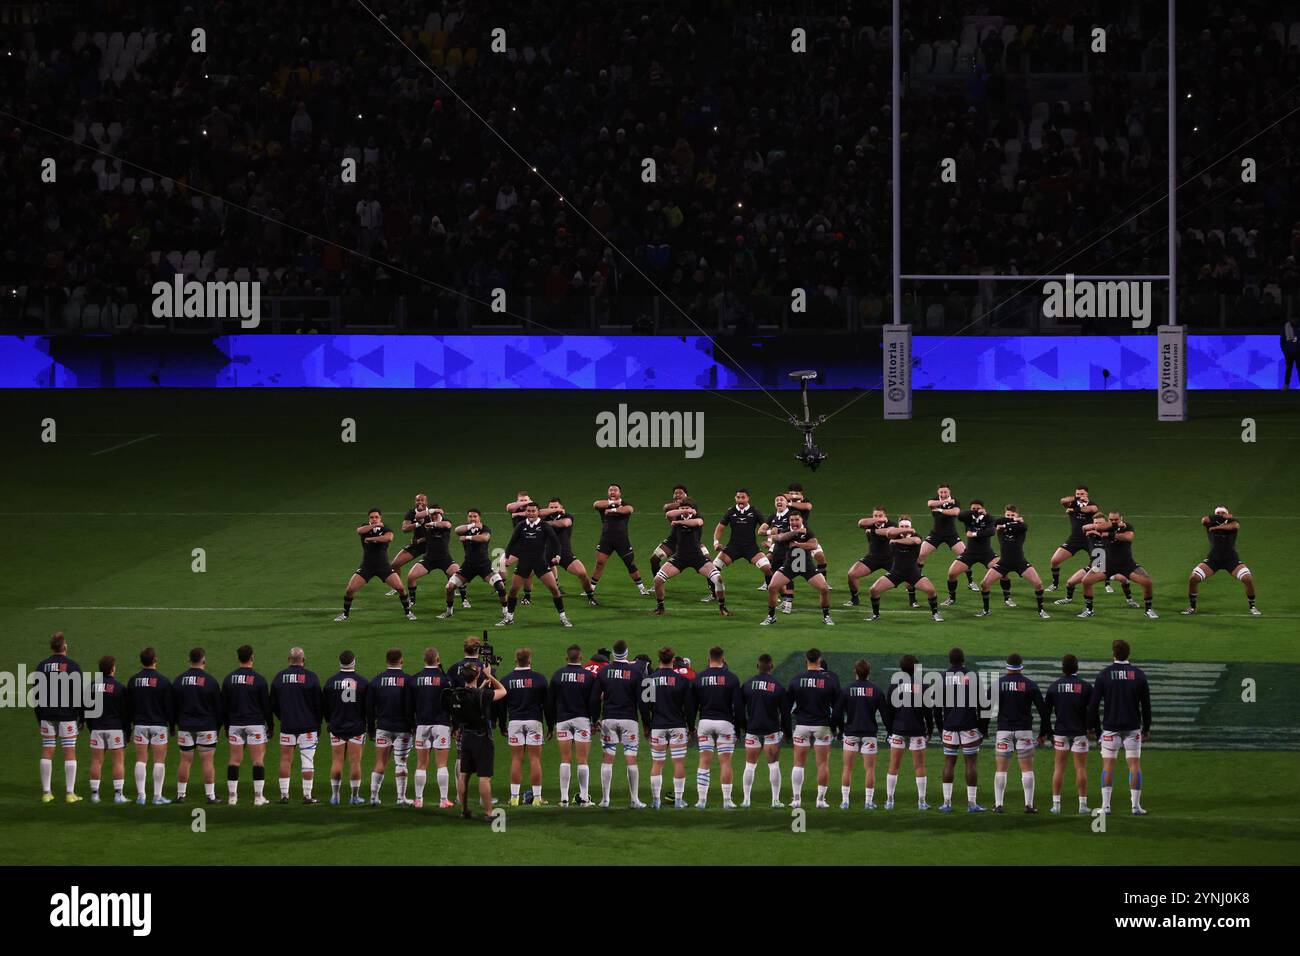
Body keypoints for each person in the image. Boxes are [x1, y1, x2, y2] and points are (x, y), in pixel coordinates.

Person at [1088, 639, 1152, 816]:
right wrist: (1146, 728)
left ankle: (1106, 806)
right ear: (1128, 654)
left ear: (1113, 654)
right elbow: (1146, 706)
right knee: (1134, 766)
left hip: (1110, 727)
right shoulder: (1139, 675)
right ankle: (1135, 806)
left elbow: (1093, 706)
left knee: (1108, 766)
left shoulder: (1104, 675)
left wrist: (1094, 729)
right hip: (1132, 727)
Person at [449, 662, 508, 821]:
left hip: (466, 736)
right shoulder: (483, 695)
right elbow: (503, 691)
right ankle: (489, 813)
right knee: (484, 776)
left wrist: (481, 686)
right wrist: (490, 676)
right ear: (477, 675)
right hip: (482, 738)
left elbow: (471, 697)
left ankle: (464, 810)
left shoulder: (457, 694)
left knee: (464, 775)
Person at [499, 501, 572, 627]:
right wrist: (506, 557)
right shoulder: (521, 526)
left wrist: (558, 555)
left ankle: (563, 617)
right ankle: (509, 618)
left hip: (540, 562)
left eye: (533, 511)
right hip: (524, 562)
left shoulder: (544, 526)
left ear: (538, 512)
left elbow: (556, 543)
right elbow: (512, 543)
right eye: (529, 511)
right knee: (513, 590)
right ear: (526, 512)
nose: (531, 513)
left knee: (554, 589)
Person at [336, 508, 416, 621]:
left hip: (383, 566)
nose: (374, 519)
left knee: (401, 588)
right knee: (350, 590)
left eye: (376, 517)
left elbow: (389, 537)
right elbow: (359, 530)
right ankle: (345, 615)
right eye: (372, 517)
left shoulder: (385, 529)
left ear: (380, 517)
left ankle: (408, 613)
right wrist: (374, 526)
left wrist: (372, 538)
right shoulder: (365, 527)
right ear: (369, 519)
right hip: (367, 566)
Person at [653, 498, 730, 616]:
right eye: (682, 508)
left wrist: (679, 522)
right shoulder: (676, 516)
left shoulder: (697, 517)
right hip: (680, 557)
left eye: (687, 508)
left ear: (693, 509)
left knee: (718, 579)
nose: (684, 510)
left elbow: (697, 523)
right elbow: (668, 514)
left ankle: (722, 607)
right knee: (658, 580)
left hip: (697, 557)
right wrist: (682, 511)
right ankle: (660, 607)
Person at [595, 640, 649, 808]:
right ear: (627, 653)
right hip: (629, 719)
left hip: (609, 718)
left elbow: (594, 697)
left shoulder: (603, 672)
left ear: (613, 652)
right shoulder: (635, 672)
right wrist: (648, 723)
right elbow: (644, 701)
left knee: (607, 757)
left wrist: (594, 717)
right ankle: (634, 800)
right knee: (631, 758)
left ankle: (605, 800)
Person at [992, 653, 1048, 813]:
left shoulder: (998, 684)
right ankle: (1029, 805)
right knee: (1027, 769)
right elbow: (1043, 711)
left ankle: (998, 804)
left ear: (1007, 666)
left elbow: (985, 708)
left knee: (1001, 769)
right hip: (1024, 730)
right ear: (1021, 666)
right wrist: (1044, 732)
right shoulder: (1029, 684)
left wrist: (982, 729)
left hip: (1003, 730)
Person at [1182, 507, 1261, 616]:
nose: (1220, 514)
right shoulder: (1210, 522)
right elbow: (1204, 520)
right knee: (1193, 578)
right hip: (1214, 559)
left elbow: (1234, 526)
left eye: (1223, 512)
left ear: (1227, 514)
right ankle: (1192, 607)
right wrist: (1221, 517)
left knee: (1248, 578)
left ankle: (1252, 607)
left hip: (1231, 559)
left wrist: (1216, 528)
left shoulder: (1232, 522)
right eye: (1218, 513)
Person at [786, 648, 840, 808]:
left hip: (801, 724)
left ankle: (796, 799)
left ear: (806, 660)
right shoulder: (830, 680)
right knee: (822, 764)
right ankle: (820, 800)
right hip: (822, 725)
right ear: (820, 660)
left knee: (798, 763)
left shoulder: (796, 680)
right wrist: (835, 727)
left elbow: (787, 707)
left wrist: (787, 729)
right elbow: (837, 707)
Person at [938, 648, 989, 813]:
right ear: (963, 660)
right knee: (971, 763)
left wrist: (941, 729)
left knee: (949, 763)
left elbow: (937, 708)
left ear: (949, 661)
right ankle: (972, 804)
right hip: (969, 726)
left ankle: (947, 803)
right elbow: (983, 705)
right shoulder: (972, 677)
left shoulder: (942, 678)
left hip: (949, 726)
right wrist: (983, 729)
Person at [976, 505, 1050, 618]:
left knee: (1038, 584)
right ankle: (986, 610)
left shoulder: (1021, 526)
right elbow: (996, 521)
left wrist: (1006, 525)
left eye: (1013, 515)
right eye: (1008, 515)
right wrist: (1011, 521)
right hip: (1003, 563)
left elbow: (1023, 527)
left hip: (1020, 562)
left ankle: (1041, 611)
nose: (1010, 517)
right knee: (984, 584)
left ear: (1018, 516)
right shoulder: (1000, 524)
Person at [35, 631, 83, 803]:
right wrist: (81, 718)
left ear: (51, 647)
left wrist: (39, 717)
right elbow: (79, 695)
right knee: (69, 751)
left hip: (47, 715)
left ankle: (46, 793)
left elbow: (36, 695)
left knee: (47, 749)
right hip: (67, 715)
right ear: (64, 646)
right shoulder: (72, 666)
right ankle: (70, 793)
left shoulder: (42, 666)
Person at [270, 647, 323, 805]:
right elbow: (318, 705)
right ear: (303, 660)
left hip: (287, 725)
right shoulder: (311, 677)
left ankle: (284, 795)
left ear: (289, 660)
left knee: (285, 760)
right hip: (308, 727)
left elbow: (273, 704)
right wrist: (317, 724)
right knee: (307, 760)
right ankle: (307, 796)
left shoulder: (279, 678)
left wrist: (283, 717)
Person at [882, 654, 934, 810]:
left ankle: (890, 800)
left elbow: (889, 711)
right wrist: (929, 730)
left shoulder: (894, 685)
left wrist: (890, 730)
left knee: (893, 765)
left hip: (898, 728)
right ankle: (921, 801)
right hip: (917, 730)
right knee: (919, 766)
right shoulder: (923, 686)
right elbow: (928, 712)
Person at [223, 644, 273, 806]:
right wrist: (271, 726)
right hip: (255, 725)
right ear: (252, 657)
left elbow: (224, 706)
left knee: (234, 760)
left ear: (238, 658)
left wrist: (226, 725)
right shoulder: (259, 680)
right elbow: (266, 706)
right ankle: (258, 797)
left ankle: (232, 797)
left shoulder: (229, 679)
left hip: (235, 725)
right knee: (258, 761)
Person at [645, 646, 695, 809]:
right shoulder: (682, 681)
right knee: (678, 762)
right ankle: (679, 801)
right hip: (677, 726)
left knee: (657, 763)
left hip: (658, 725)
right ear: (673, 660)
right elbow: (689, 708)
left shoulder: (649, 680)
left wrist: (647, 725)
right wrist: (691, 726)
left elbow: (645, 706)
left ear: (659, 659)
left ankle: (656, 801)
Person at [1044, 653, 1094, 815]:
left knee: (1059, 768)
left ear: (1062, 668)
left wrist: (1048, 733)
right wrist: (1092, 728)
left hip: (1061, 731)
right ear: (1077, 667)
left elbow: (1046, 714)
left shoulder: (1054, 687)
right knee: (1080, 768)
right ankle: (1082, 805)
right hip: (1080, 732)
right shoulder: (1086, 687)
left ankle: (1056, 805)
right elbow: (1091, 712)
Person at [739, 654, 791, 808]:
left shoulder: (747, 685)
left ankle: (746, 800)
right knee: (774, 765)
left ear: (757, 666)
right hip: (771, 730)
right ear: (771, 666)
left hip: (752, 729)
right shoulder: (778, 687)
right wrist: (787, 733)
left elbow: (740, 710)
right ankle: (775, 801)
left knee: (750, 765)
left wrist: (743, 726)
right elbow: (785, 713)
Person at [692, 646, 741, 809]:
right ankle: (727, 801)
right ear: (723, 658)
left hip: (705, 722)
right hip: (725, 723)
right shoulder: (732, 678)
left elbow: (693, 705)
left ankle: (701, 801)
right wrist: (739, 726)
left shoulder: (699, 678)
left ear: (709, 658)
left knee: (704, 761)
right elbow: (738, 706)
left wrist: (691, 725)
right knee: (725, 762)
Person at [761, 513, 832, 625]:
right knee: (772, 587)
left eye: (796, 520)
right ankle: (771, 616)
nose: (794, 522)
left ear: (801, 520)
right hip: (790, 566)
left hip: (806, 566)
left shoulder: (808, 531)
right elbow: (777, 538)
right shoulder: (786, 530)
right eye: (791, 520)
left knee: (824, 589)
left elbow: (813, 545)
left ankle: (826, 616)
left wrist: (798, 545)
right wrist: (796, 532)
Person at [173, 647, 223, 804]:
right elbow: (218, 708)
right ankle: (210, 796)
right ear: (204, 660)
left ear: (189, 660)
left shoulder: (179, 680)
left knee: (185, 760)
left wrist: (176, 723)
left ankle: (181, 795)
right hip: (207, 726)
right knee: (207, 761)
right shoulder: (210, 681)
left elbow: (173, 706)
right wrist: (218, 727)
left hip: (185, 727)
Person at [868, 518, 944, 622]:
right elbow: (889, 533)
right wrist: (897, 536)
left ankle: (935, 613)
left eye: (906, 527)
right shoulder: (893, 535)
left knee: (931, 590)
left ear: (911, 527)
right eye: (902, 527)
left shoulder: (915, 536)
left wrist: (896, 541)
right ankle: (875, 614)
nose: (904, 529)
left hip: (912, 573)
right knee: (874, 590)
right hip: (895, 573)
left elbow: (915, 541)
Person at [835, 659, 887, 810]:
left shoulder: (846, 690)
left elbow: (837, 713)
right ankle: (868, 802)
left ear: (855, 672)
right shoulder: (876, 690)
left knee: (847, 768)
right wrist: (890, 730)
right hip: (869, 733)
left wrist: (837, 729)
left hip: (850, 733)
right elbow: (885, 715)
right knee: (870, 769)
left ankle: (845, 801)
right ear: (869, 672)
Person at [126, 646, 174, 805]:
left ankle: (141, 795)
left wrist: (130, 726)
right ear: (155, 660)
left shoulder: (133, 681)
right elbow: (169, 707)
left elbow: (129, 706)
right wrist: (172, 726)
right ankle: (157, 796)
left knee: (141, 760)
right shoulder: (163, 681)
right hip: (159, 725)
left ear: (141, 661)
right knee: (159, 760)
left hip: (140, 725)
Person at [409, 647, 455, 809]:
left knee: (421, 764)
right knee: (441, 764)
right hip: (441, 725)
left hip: (422, 725)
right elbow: (451, 705)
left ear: (424, 660)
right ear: (438, 659)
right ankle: (443, 800)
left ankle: (418, 800)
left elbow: (410, 706)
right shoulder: (445, 680)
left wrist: (412, 724)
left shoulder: (414, 680)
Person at [322, 650, 369, 805]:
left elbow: (326, 708)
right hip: (356, 727)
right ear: (353, 662)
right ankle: (354, 796)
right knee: (355, 762)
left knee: (336, 761)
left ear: (339, 662)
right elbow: (367, 707)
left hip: (337, 726)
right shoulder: (362, 682)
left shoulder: (330, 682)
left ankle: (335, 796)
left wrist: (332, 720)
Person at [503, 647, 550, 806]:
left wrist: (502, 725)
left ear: (516, 660)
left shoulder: (506, 680)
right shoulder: (540, 679)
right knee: (534, 759)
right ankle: (537, 798)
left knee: (516, 759)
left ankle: (514, 797)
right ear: (529, 660)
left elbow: (501, 706)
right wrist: (550, 726)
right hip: (534, 722)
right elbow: (547, 705)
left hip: (514, 722)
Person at [366, 648, 413, 806]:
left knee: (380, 762)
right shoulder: (408, 680)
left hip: (383, 727)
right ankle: (401, 798)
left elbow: (369, 708)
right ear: (401, 661)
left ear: (387, 661)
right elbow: (410, 707)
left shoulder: (376, 680)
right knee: (401, 763)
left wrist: (371, 728)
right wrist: (412, 725)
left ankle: (373, 797)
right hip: (403, 728)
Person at [444, 510, 509, 616]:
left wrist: (467, 537)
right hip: (468, 566)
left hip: (484, 566)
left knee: (500, 586)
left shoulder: (485, 528)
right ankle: (449, 611)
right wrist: (472, 525)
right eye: (470, 516)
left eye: (475, 516)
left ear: (480, 518)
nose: (472, 518)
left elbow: (484, 538)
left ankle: (506, 611)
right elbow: (457, 530)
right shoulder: (466, 528)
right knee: (449, 587)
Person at [590, 484, 649, 595]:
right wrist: (612, 504)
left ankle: (641, 587)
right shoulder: (604, 504)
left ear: (620, 493)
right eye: (610, 490)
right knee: (599, 563)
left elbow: (629, 510)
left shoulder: (625, 504)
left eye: (615, 490)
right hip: (606, 539)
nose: (612, 492)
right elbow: (595, 504)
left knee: (630, 564)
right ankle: (590, 589)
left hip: (622, 540)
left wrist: (613, 510)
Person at [710, 488, 772, 592]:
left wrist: (769, 541)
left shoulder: (754, 511)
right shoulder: (731, 511)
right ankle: (714, 593)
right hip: (733, 547)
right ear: (735, 498)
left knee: (768, 568)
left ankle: (771, 589)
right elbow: (720, 527)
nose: (740, 500)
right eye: (738, 497)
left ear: (748, 498)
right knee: (714, 568)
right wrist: (716, 542)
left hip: (750, 547)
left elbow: (766, 527)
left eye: (743, 497)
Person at [86, 655, 129, 804]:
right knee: (118, 761)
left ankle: (95, 795)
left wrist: (91, 727)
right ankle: (118, 795)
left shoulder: (91, 687)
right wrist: (127, 732)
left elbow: (87, 711)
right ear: (112, 669)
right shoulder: (119, 687)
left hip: (97, 728)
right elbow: (125, 713)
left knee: (96, 761)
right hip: (115, 729)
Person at [1048, 486, 1099, 592]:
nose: (1080, 496)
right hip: (1075, 539)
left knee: (1099, 563)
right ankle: (1055, 584)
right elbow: (1063, 501)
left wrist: (1074, 510)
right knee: (1054, 561)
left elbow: (1092, 509)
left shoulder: (1092, 504)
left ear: (1087, 494)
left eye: (1082, 494)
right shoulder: (1073, 503)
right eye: (1078, 494)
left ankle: (1107, 582)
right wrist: (1076, 500)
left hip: (1090, 539)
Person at [1283, 318, 1298, 388]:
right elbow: (1285, 339)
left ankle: (1286, 385)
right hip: (1289, 352)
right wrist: (1285, 350)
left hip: (1297, 351)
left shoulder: (1297, 327)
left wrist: (1294, 340)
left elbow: (1297, 338)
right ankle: (1286, 385)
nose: (1294, 320)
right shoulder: (1286, 326)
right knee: (1288, 369)